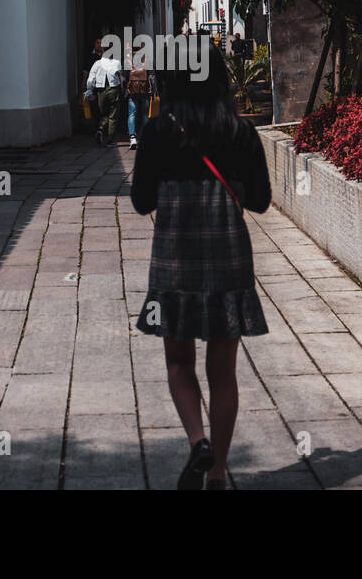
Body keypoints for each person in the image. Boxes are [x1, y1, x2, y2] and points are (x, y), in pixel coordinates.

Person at [129, 48, 271, 489]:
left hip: (176, 260)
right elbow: (262, 201)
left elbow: (141, 202)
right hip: (227, 260)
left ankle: (197, 442)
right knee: (223, 372)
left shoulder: (157, 133)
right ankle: (218, 473)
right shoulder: (241, 133)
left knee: (177, 361)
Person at [83, 46, 123, 144]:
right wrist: (123, 88)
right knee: (113, 115)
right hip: (113, 89)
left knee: (104, 113)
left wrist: (89, 90)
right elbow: (121, 77)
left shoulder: (97, 63)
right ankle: (110, 140)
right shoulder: (116, 63)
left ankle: (100, 129)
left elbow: (90, 79)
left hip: (101, 91)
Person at [125, 59, 155, 150]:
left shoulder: (128, 61)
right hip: (145, 92)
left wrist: (125, 89)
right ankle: (145, 137)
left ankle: (132, 138)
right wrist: (154, 91)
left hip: (132, 92)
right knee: (145, 114)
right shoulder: (148, 61)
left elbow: (123, 77)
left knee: (132, 114)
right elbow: (152, 77)